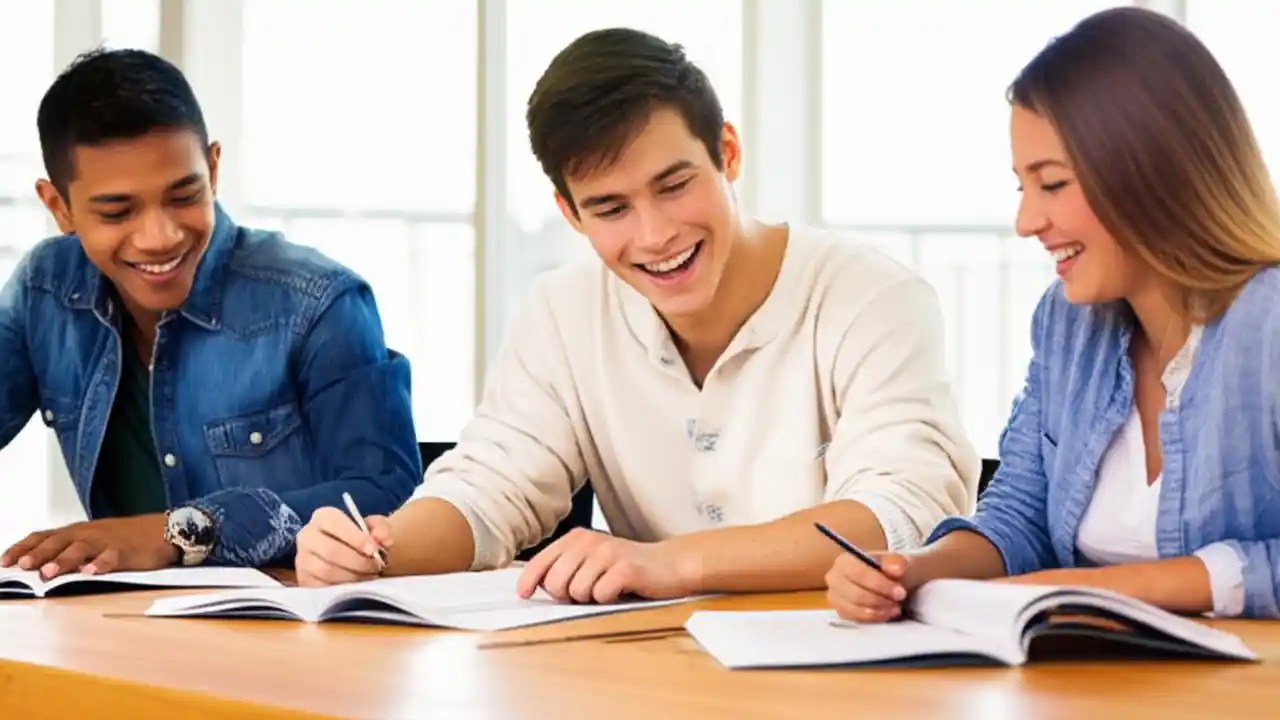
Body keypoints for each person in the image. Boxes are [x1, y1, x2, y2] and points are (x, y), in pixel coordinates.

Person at [296, 27, 978, 599]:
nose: (654, 236)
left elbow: (901, 514)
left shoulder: (871, 296)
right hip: (655, 669)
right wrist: (378, 550)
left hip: (845, 670)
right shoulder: (564, 311)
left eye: (673, 186)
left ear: (728, 153)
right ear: (570, 213)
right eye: (610, 209)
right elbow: (489, 488)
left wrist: (669, 562)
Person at [825, 7, 1280, 621]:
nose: (1026, 222)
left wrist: (1112, 590)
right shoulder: (1067, 325)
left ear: (1153, 170)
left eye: (1053, 184)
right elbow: (1019, 517)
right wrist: (910, 572)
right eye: (1023, 187)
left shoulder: (1267, 323)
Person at [0, 48, 421, 578]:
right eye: (118, 212)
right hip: (116, 615)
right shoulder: (45, 288)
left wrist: (181, 531)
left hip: (296, 618)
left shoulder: (319, 302)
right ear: (59, 207)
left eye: (184, 197)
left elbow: (388, 495)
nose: (160, 237)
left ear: (214, 169)